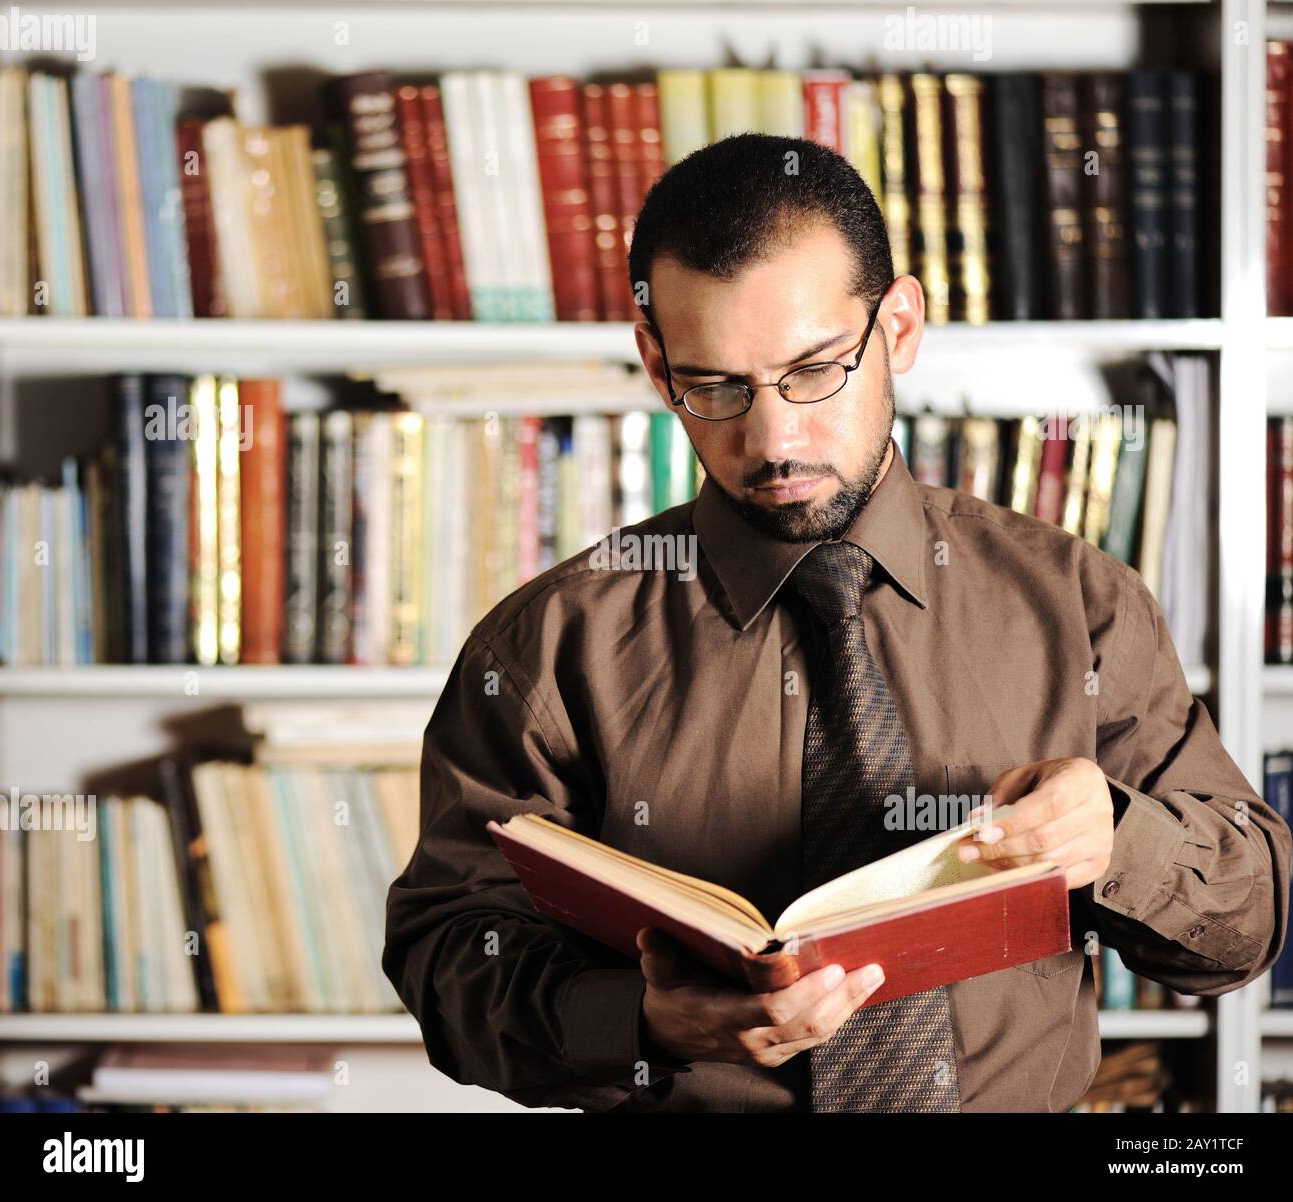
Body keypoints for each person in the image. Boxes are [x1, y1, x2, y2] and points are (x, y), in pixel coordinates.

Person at [383, 133, 1291, 1112]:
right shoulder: (546, 647)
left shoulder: (1076, 602)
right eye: (716, 385)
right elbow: (444, 960)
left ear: (897, 326)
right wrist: (639, 1020)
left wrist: (1115, 836)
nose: (773, 439)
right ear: (655, 363)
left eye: (815, 369)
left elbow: (1243, 931)